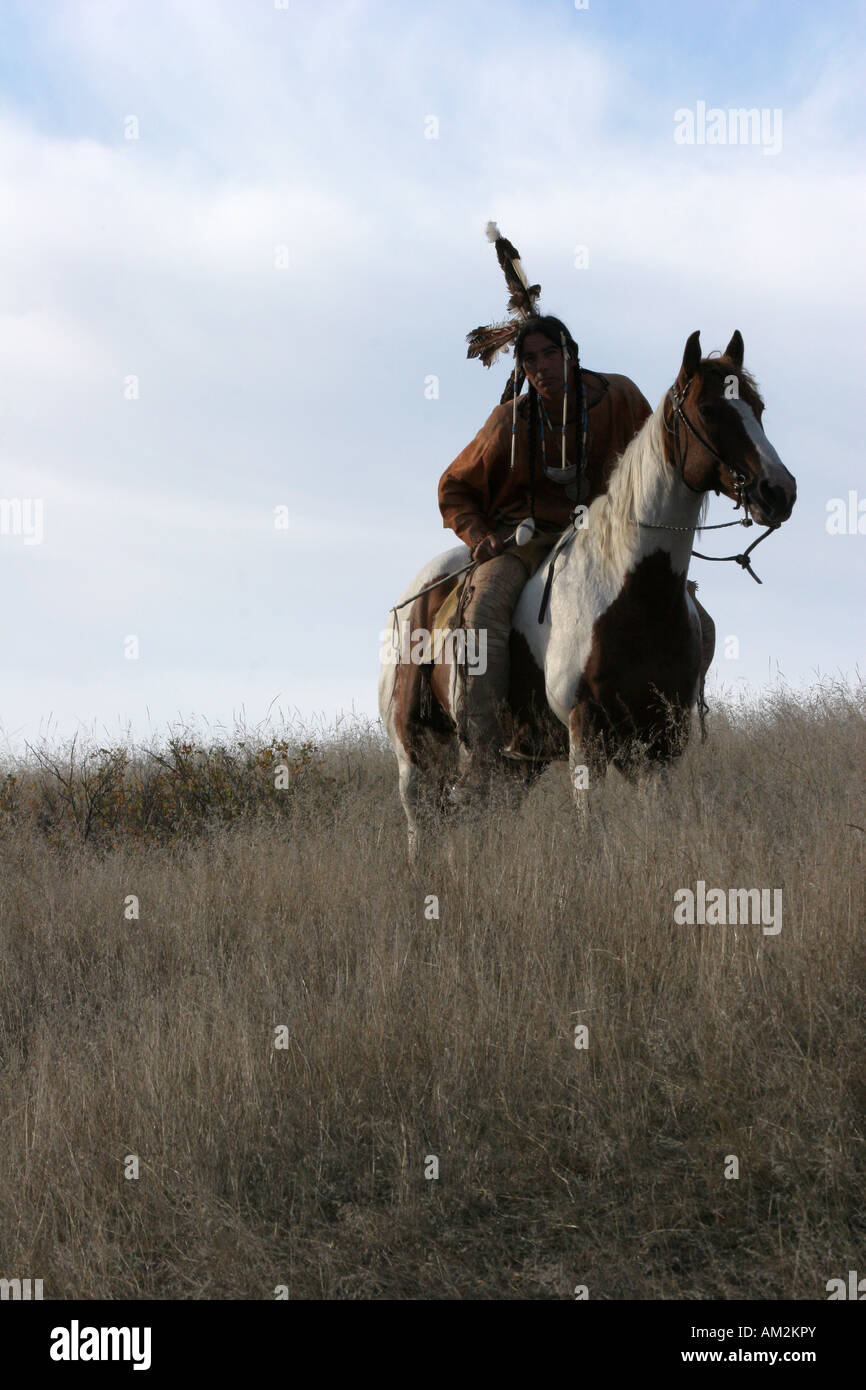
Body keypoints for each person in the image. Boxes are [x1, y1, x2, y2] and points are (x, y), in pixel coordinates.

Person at [438, 229, 651, 802]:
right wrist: (481, 537)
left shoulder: (621, 398)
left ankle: (669, 733)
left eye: (548, 354)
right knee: (481, 616)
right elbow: (454, 488)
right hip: (524, 542)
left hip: (608, 538)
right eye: (528, 359)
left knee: (692, 615)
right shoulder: (509, 422)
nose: (539, 366)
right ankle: (480, 756)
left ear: (570, 353)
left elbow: (655, 462)